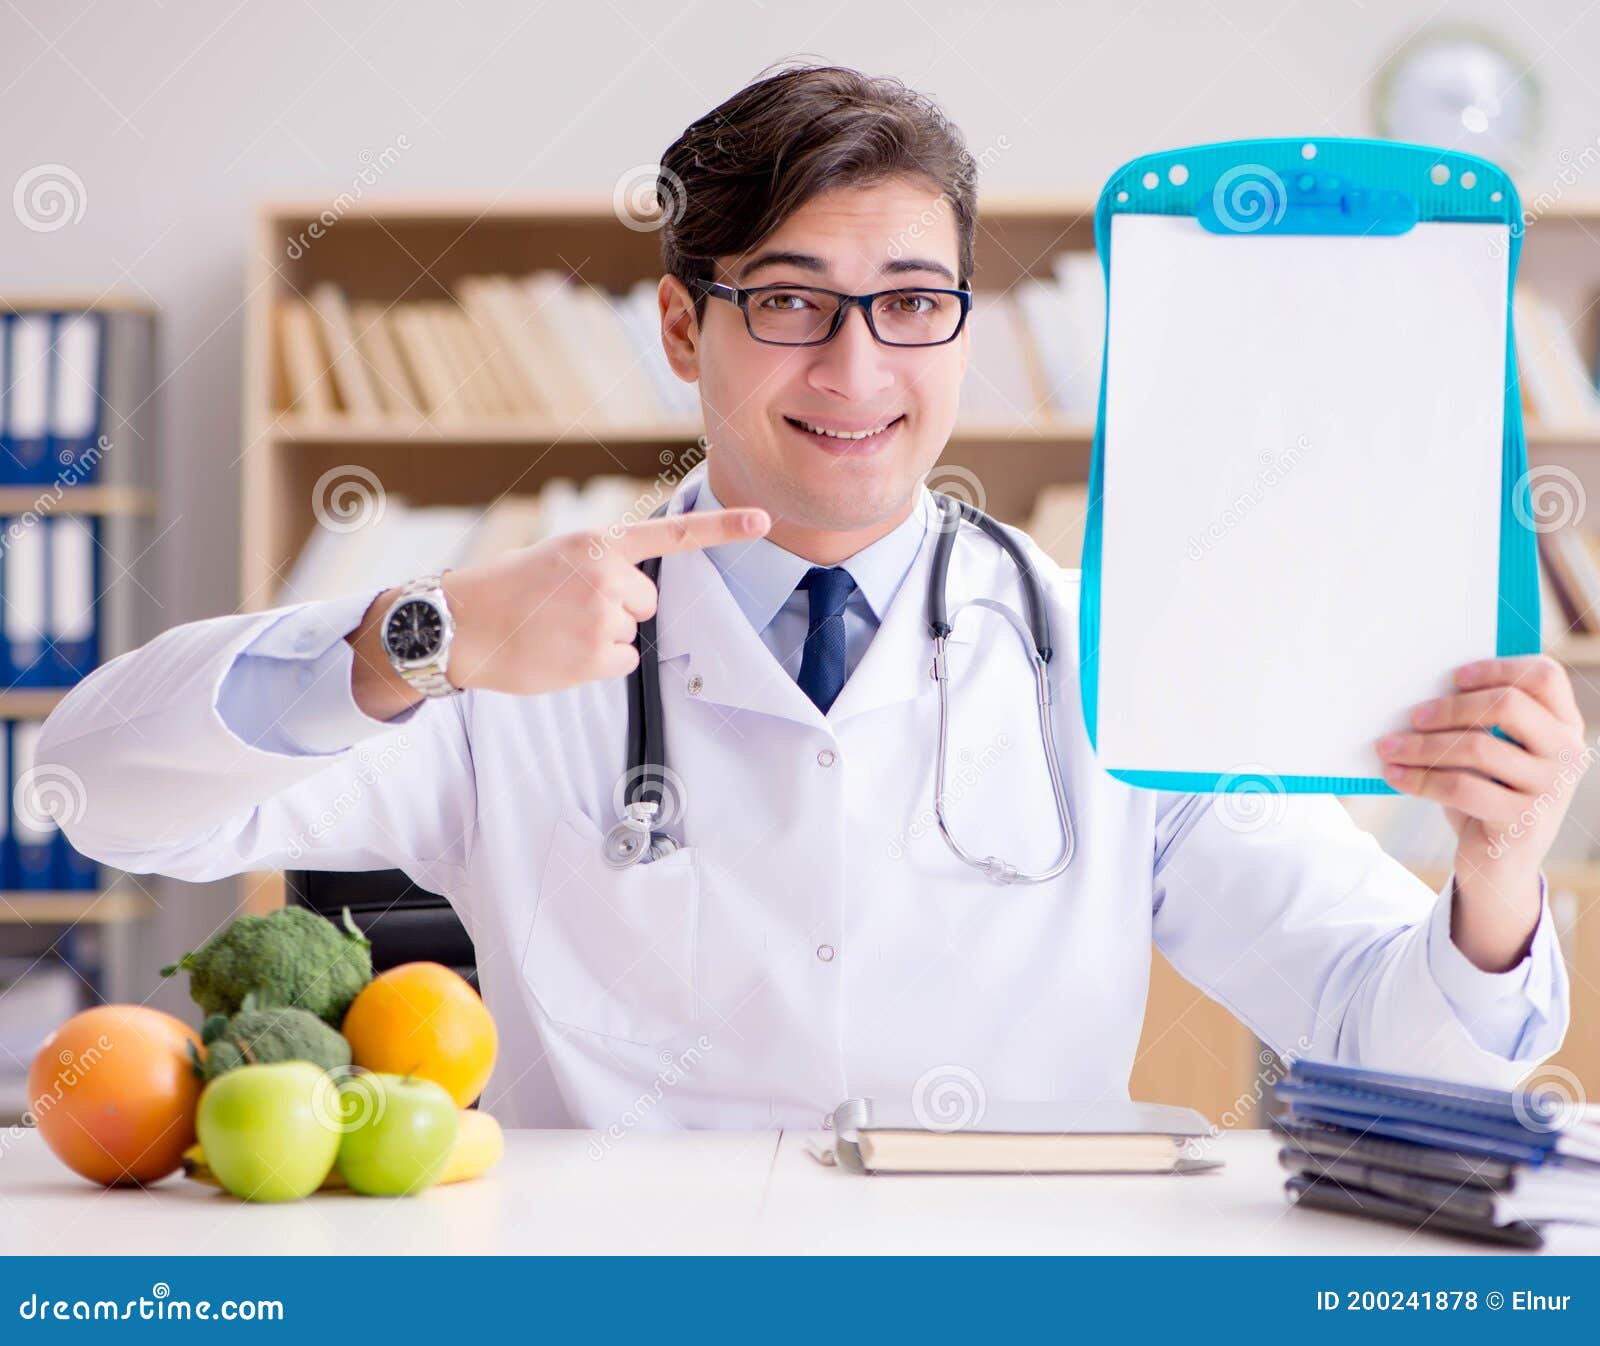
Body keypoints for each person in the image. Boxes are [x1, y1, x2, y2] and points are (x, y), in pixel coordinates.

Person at [40, 65, 1577, 1130]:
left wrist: (1498, 874)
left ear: (965, 329)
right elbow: (101, 789)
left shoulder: (1110, 657)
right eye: (787, 302)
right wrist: (415, 641)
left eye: (912, 304)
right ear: (679, 326)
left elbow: (1411, 1051)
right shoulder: (518, 641)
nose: (856, 371)